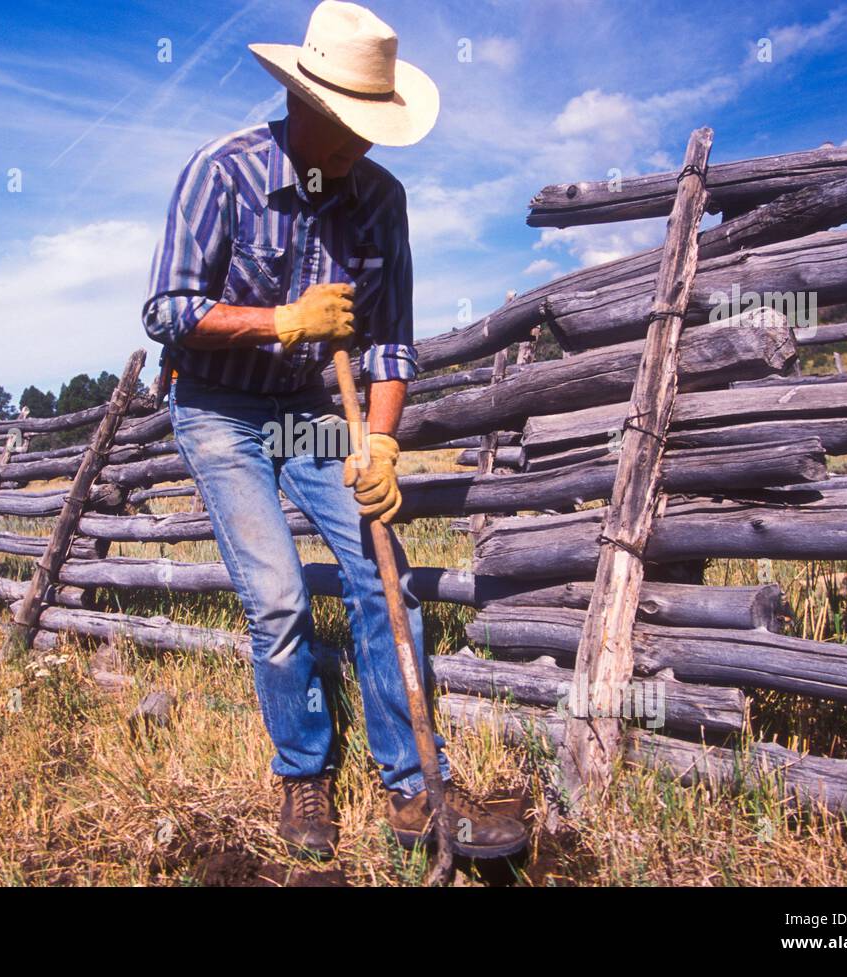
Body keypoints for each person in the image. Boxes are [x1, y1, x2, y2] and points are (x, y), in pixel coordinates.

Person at [142, 0, 526, 860]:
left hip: (309, 416)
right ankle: (302, 775)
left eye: (373, 125)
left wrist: (380, 443)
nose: (363, 143)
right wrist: (280, 321)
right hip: (217, 405)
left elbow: (389, 343)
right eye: (349, 123)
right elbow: (166, 311)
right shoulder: (223, 172)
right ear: (305, 101)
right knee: (277, 596)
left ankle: (416, 787)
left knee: (379, 567)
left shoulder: (381, 201)